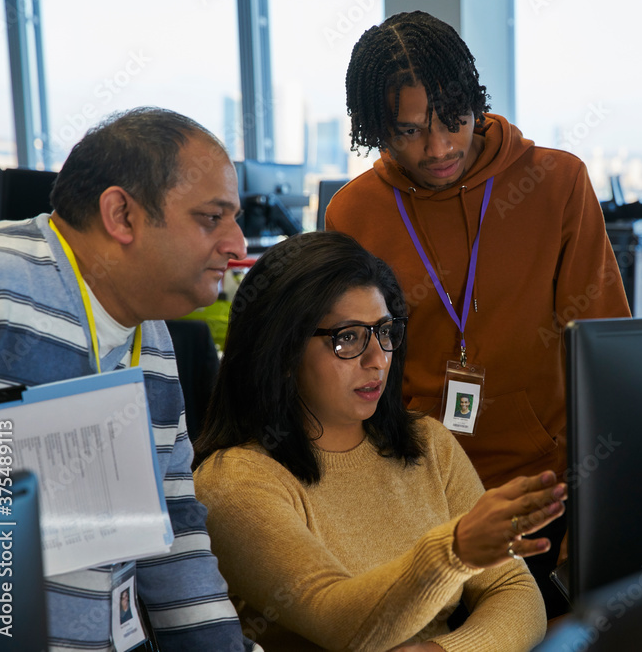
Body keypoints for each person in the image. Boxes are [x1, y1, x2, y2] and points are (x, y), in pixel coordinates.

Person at [325, 10, 631, 616]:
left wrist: (597, 502)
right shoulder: (352, 214)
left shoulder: (557, 182)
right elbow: (347, 377)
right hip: (417, 499)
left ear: (475, 101)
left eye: (453, 121)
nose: (438, 148)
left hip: (542, 490)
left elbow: (604, 351)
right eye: (409, 131)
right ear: (375, 128)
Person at [193, 231, 566, 651]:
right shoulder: (234, 482)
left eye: (384, 331)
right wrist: (454, 551)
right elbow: (339, 621)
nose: (378, 360)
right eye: (348, 337)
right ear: (281, 351)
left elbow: (515, 590)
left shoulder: (427, 441)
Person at [0, 107, 256, 651]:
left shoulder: (150, 338)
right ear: (121, 215)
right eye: (211, 218)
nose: (238, 247)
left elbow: (171, 524)